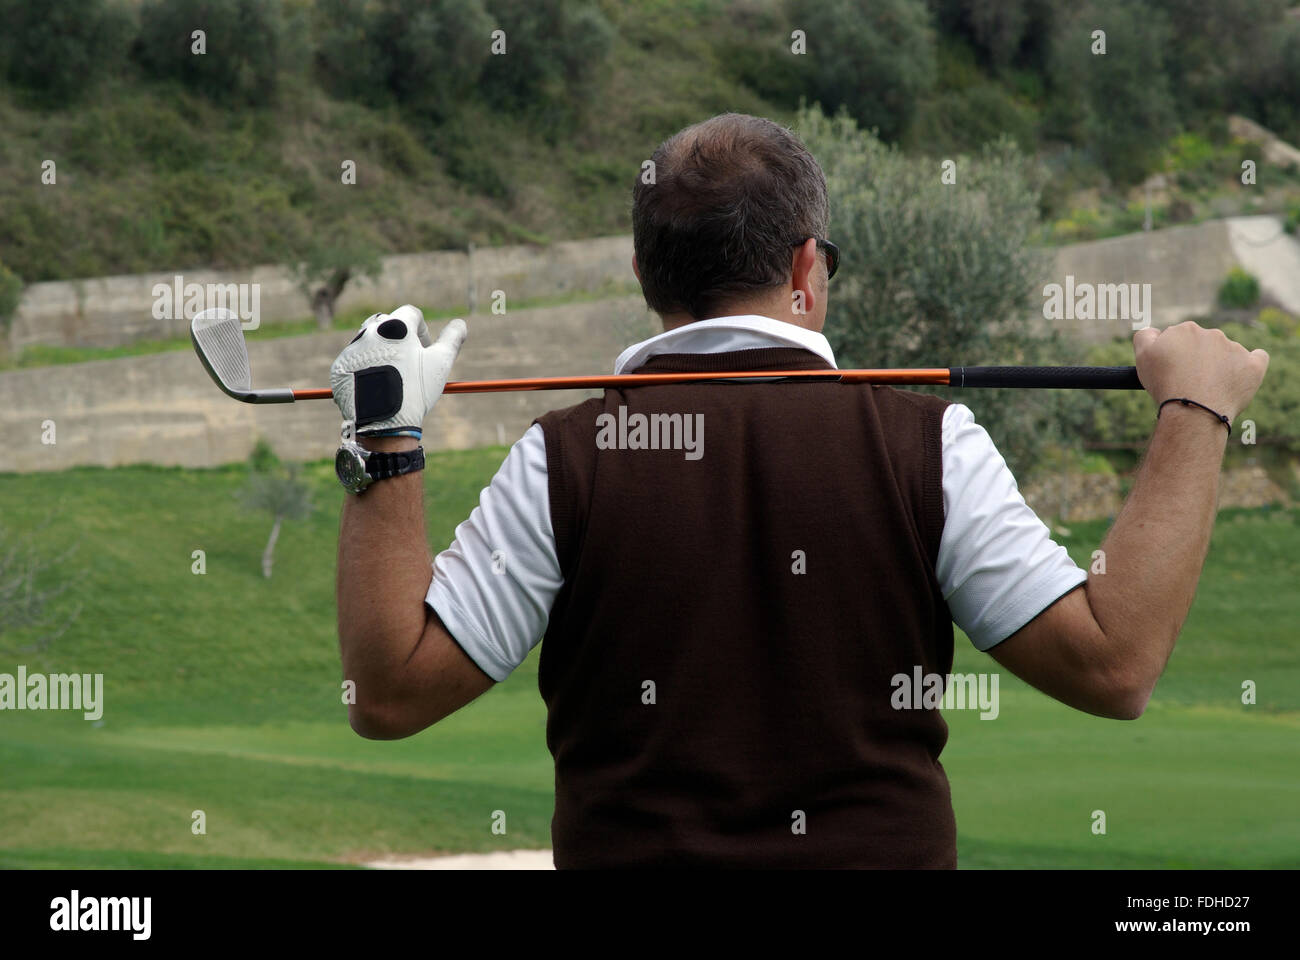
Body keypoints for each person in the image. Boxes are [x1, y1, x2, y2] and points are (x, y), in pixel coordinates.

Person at [328, 113, 1269, 868]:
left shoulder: (561, 459)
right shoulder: (930, 444)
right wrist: (1195, 411)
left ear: (642, 275)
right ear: (806, 268)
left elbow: (389, 695)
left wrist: (387, 435)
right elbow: (1114, 667)